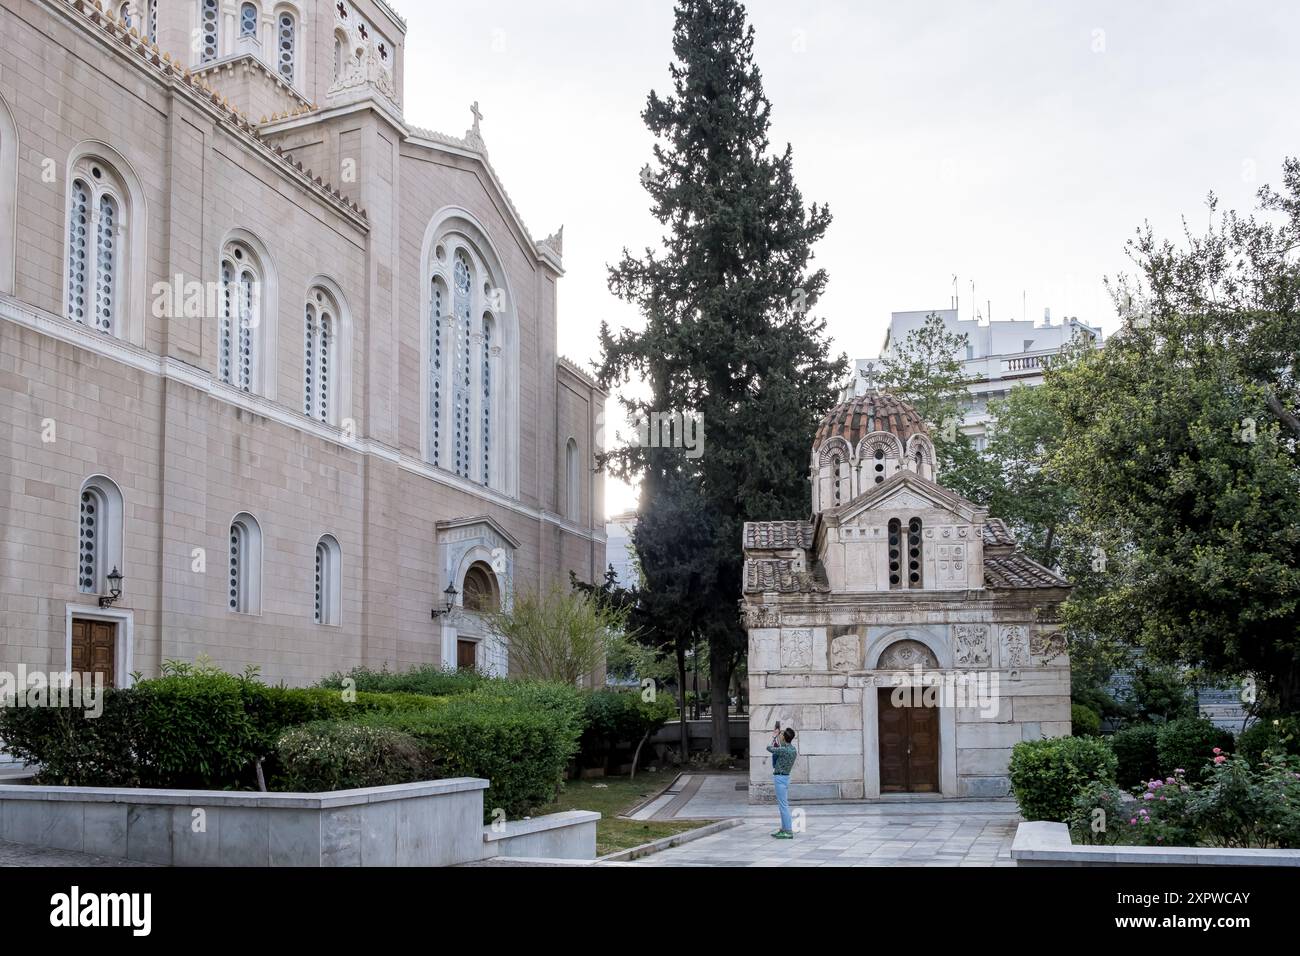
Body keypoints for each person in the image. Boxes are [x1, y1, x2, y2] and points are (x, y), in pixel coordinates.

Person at [766, 726, 797, 839]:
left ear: (784, 737)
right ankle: (784, 829)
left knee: (783, 805)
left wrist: (774, 737)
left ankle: (788, 831)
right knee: (783, 804)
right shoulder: (792, 750)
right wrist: (778, 737)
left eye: (782, 734)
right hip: (785, 777)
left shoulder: (783, 750)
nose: (781, 735)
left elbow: (769, 748)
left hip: (779, 778)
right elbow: (780, 747)